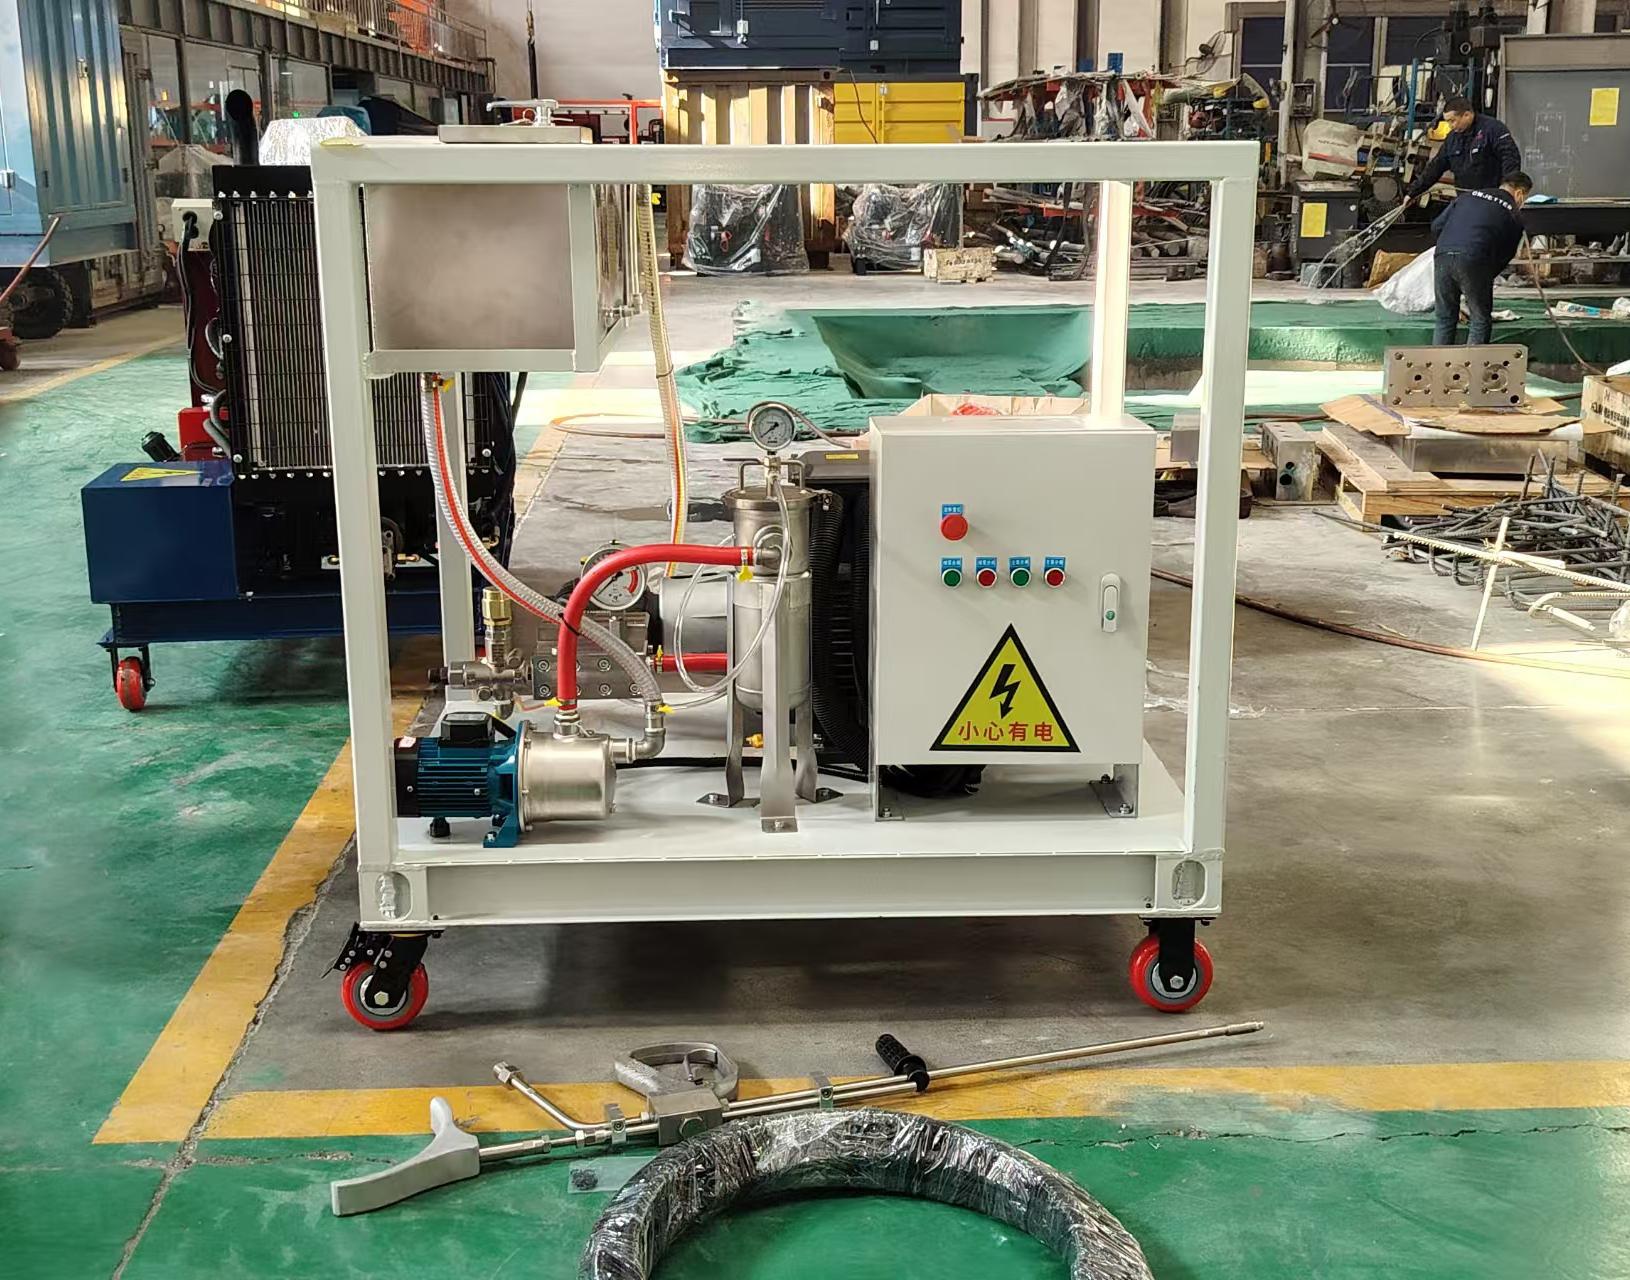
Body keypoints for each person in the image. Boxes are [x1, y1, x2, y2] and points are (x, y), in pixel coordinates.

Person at [1430, 172, 1532, 346]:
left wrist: (1449, 247)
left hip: (1442, 255)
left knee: (1445, 318)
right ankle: (1473, 363)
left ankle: (1438, 362)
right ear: (1519, 193)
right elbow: (1505, 254)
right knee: (1479, 319)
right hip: (1475, 258)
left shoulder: (1467, 196)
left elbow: (1436, 226)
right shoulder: (1513, 213)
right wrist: (1484, 276)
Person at [1404, 98, 1523, 202]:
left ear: (1467, 115)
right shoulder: (1452, 139)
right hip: (1465, 199)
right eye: (1448, 122)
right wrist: (1413, 193)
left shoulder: (1492, 129)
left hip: (1491, 198)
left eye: (1453, 121)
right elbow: (1435, 167)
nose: (1450, 126)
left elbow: (1510, 157)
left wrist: (1508, 188)